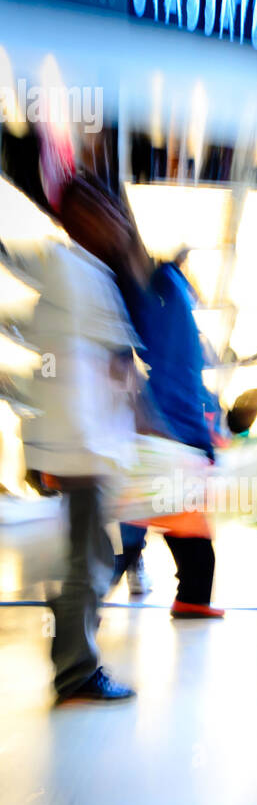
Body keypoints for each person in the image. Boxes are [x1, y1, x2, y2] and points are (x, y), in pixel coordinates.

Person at [22, 177, 140, 703]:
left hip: (87, 447)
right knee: (87, 563)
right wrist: (92, 450)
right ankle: (76, 672)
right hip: (84, 449)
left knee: (87, 558)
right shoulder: (72, 273)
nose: (118, 221)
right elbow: (69, 370)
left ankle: (74, 663)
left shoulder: (87, 272)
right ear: (83, 217)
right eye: (108, 211)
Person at [102, 207, 225, 618]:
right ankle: (187, 598)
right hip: (175, 433)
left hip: (172, 430)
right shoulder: (166, 291)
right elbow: (174, 372)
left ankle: (152, 580)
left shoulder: (162, 293)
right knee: (186, 535)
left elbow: (175, 368)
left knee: (166, 525)